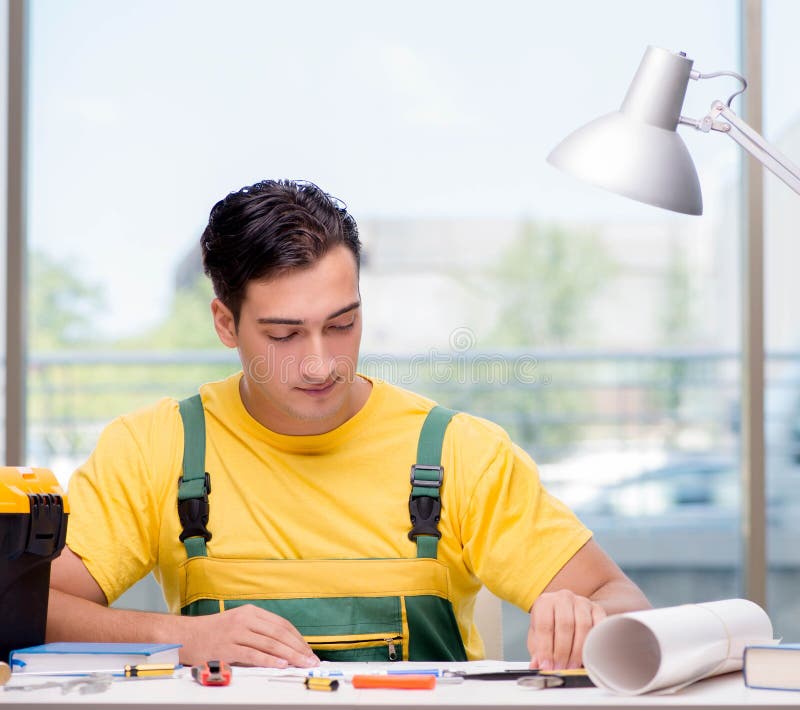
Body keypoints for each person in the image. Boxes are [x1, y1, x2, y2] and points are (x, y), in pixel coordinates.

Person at [48, 179, 650, 670]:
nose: (320, 364)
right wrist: (184, 639)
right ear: (225, 325)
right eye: (283, 335)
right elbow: (31, 609)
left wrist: (585, 617)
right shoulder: (160, 448)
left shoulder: (458, 453)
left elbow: (619, 600)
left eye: (342, 325)